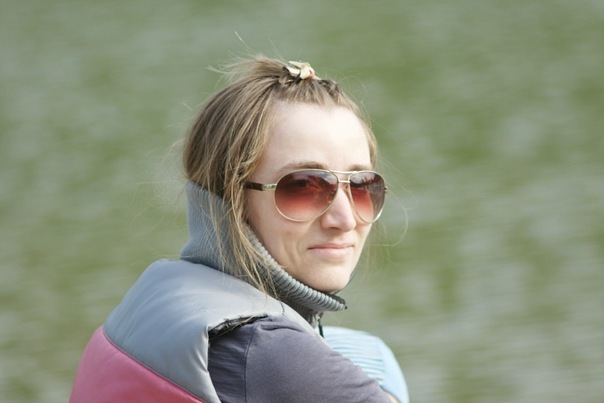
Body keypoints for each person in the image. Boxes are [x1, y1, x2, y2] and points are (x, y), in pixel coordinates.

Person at [69, 56, 408, 403]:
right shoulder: (272, 355)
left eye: (361, 186)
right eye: (303, 186)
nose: (345, 219)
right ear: (230, 199)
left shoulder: (152, 302)